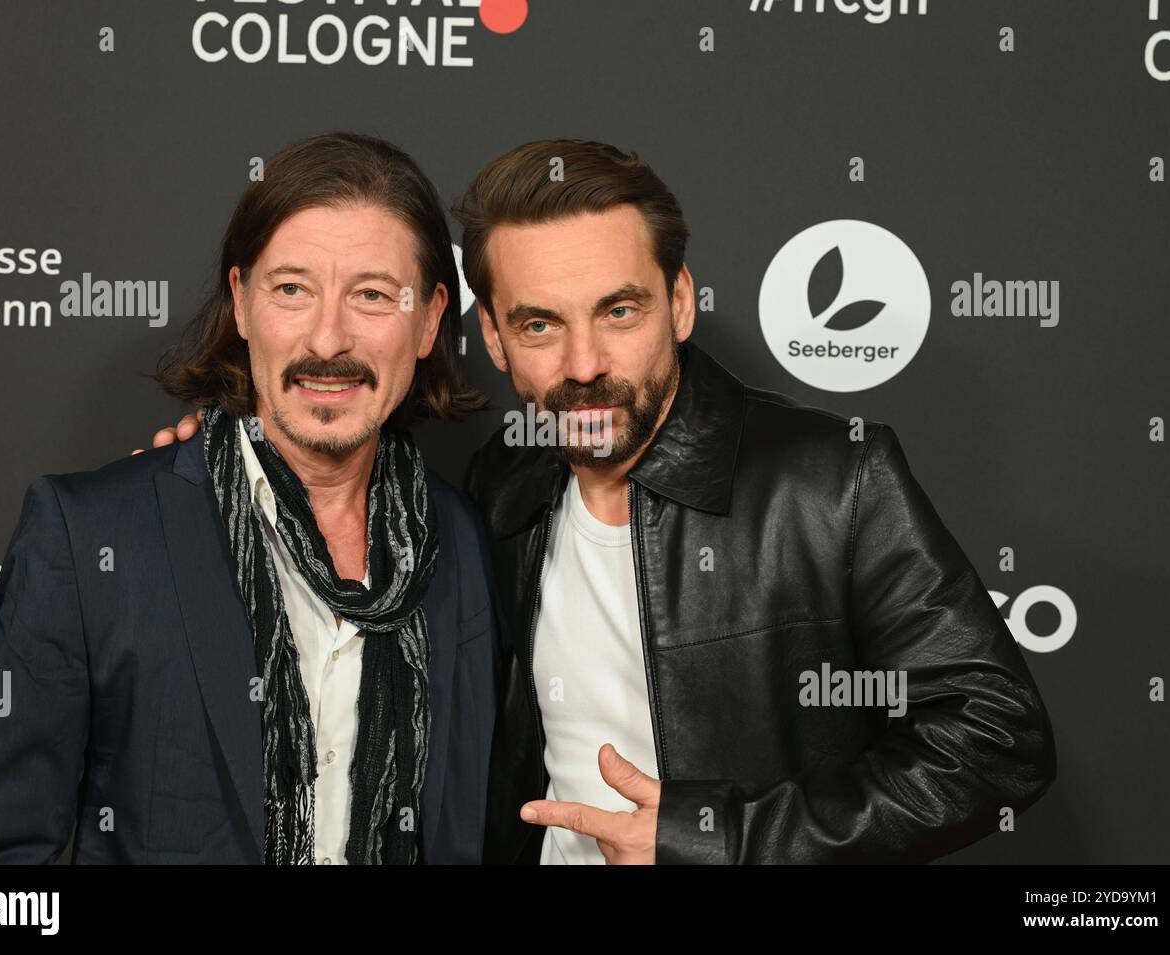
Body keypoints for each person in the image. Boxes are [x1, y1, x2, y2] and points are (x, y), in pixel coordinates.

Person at [154, 138, 1058, 866]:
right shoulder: (501, 489)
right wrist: (209, 468)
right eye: (541, 323)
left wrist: (715, 838)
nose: (583, 363)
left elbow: (995, 739)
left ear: (681, 303)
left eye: (618, 312)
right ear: (494, 340)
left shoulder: (828, 481)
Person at [0, 132, 496, 864]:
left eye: (371, 295)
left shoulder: (462, 540)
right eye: (291, 289)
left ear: (429, 321)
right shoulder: (90, 536)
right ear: (240, 304)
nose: (328, 338)